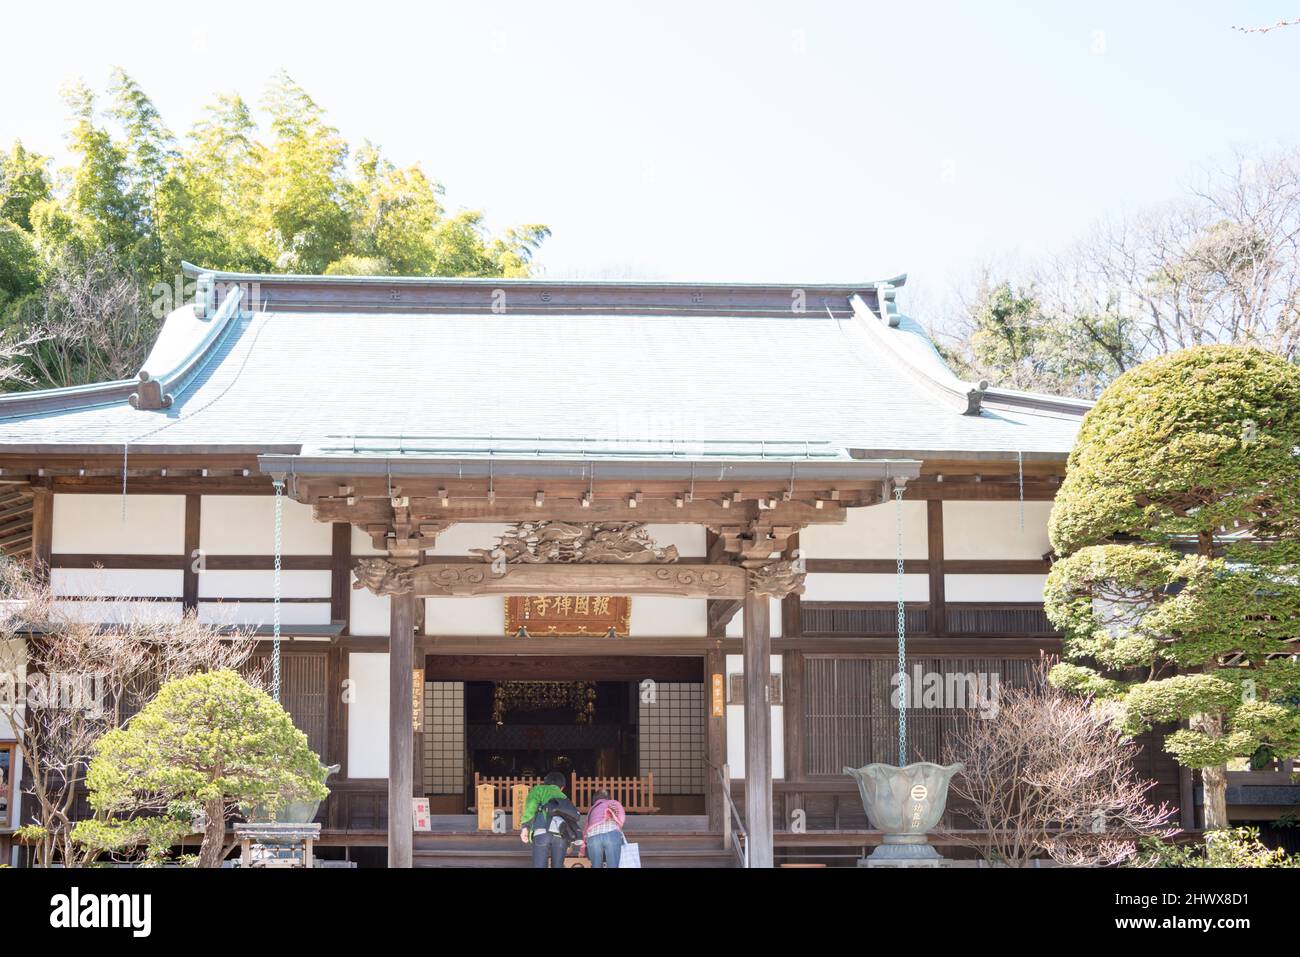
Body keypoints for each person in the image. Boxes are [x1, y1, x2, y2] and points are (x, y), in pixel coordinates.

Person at [521, 771, 579, 868]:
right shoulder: (563, 797)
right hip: (561, 835)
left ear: (546, 783)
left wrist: (525, 827)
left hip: (542, 832)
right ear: (562, 787)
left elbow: (530, 808)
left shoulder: (538, 790)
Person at [583, 789, 626, 868]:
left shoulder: (592, 809)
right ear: (608, 797)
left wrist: (582, 848)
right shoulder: (613, 802)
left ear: (594, 799)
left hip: (593, 836)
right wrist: (619, 824)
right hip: (611, 833)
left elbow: (586, 827)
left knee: (596, 866)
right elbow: (621, 815)